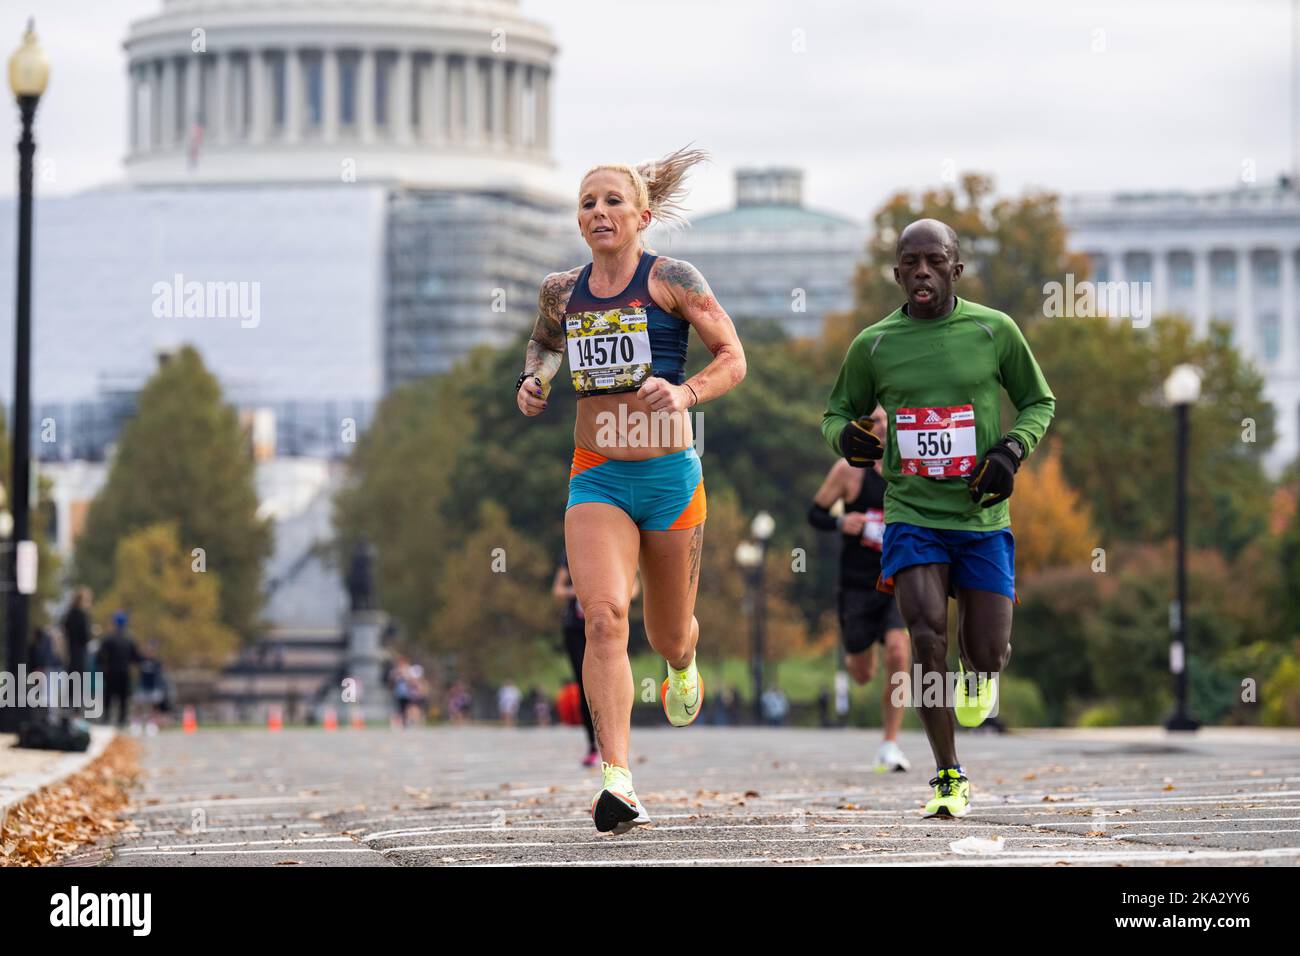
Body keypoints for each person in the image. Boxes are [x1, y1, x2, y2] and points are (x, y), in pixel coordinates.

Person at [516, 146, 746, 834]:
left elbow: (733, 357)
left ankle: (683, 662)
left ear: (643, 215)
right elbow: (543, 346)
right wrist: (534, 381)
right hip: (598, 474)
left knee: (667, 632)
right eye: (587, 202)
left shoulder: (672, 277)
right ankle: (617, 778)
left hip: (671, 478)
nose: (598, 212)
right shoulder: (562, 290)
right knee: (604, 616)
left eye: (613, 201)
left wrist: (686, 390)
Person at [822, 218, 1055, 819]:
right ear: (897, 273)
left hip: (980, 517)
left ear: (956, 268)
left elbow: (1038, 401)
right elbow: (836, 413)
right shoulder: (873, 344)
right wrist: (845, 438)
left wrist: (1011, 451)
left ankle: (982, 674)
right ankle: (948, 775)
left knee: (986, 651)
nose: (921, 272)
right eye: (910, 263)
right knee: (925, 636)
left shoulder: (993, 330)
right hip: (912, 513)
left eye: (934, 261)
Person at [809, 404, 912, 773]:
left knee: (900, 653)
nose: (882, 428)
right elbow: (816, 512)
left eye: (888, 421)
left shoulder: (909, 468)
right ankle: (855, 647)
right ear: (863, 427)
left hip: (898, 578)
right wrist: (842, 521)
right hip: (856, 583)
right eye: (875, 421)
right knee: (862, 672)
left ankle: (890, 744)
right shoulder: (849, 470)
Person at [552, 554, 640, 768]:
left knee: (613, 682)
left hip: (609, 626)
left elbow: (634, 588)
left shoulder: (616, 548)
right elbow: (558, 590)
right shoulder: (572, 553)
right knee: (585, 685)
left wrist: (612, 595)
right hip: (576, 629)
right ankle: (592, 745)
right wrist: (580, 592)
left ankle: (618, 747)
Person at [96, 611, 142, 728]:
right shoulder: (129, 639)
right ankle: (122, 721)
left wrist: (103, 668)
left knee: (109, 697)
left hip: (111, 672)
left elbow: (100, 657)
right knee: (123, 698)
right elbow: (136, 658)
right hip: (125, 672)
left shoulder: (108, 639)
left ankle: (106, 719)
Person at [61, 587, 93, 678]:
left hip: (70, 654)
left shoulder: (69, 614)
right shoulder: (82, 615)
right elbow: (85, 636)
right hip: (80, 655)